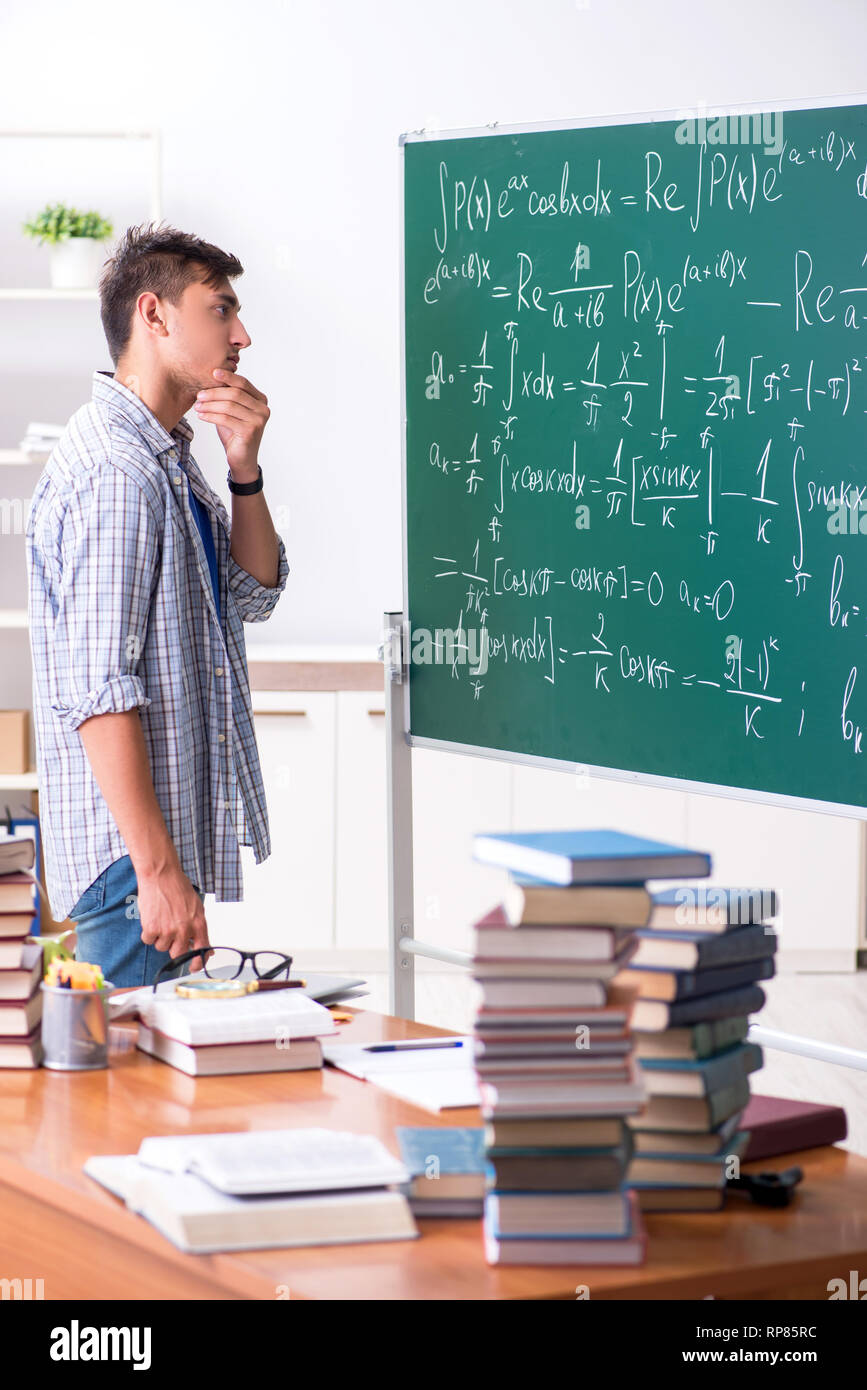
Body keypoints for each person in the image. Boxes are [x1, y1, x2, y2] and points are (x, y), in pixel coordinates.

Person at [25, 222, 289, 987]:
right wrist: (157, 870)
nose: (242, 334)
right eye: (221, 310)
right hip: (131, 867)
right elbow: (100, 690)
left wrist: (245, 472)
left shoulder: (165, 455)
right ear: (154, 314)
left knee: (147, 1094)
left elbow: (252, 594)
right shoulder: (119, 470)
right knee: (129, 1101)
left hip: (144, 857)